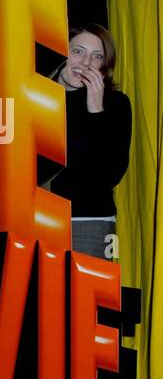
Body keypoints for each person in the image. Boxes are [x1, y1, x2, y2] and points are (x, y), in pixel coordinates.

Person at [46, 23, 132, 258]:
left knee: (85, 295)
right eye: (78, 51)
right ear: (61, 51)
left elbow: (110, 174)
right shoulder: (36, 97)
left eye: (97, 56)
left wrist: (96, 112)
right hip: (35, 218)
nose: (85, 63)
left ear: (105, 66)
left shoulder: (116, 104)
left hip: (89, 222)